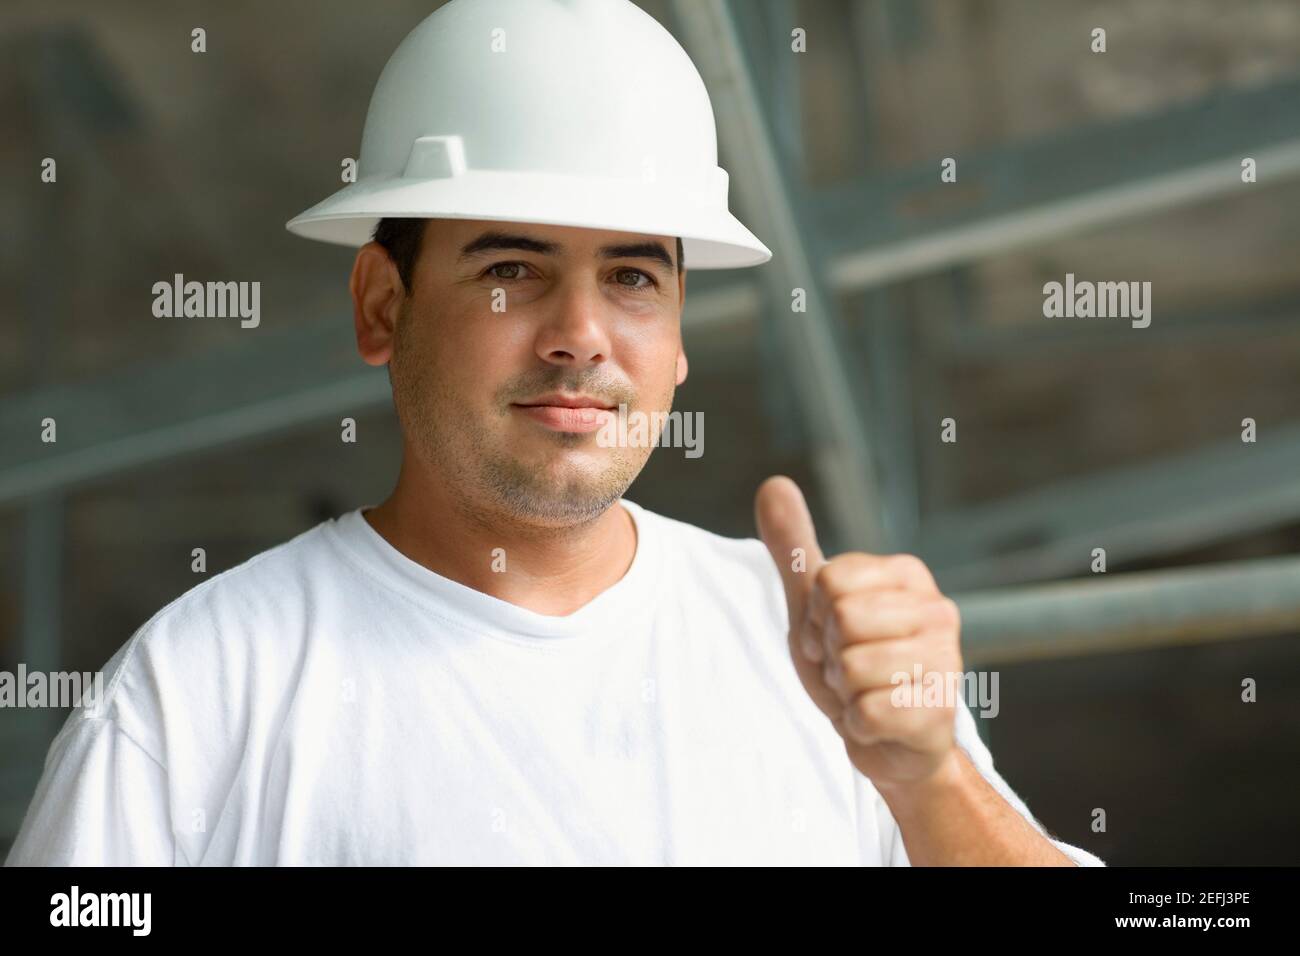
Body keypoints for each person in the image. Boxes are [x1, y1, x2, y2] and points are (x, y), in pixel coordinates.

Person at [5, 0, 1102, 866]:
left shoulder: (814, 654)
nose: (580, 336)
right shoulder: (197, 694)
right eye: (511, 269)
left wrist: (929, 776)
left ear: (675, 339)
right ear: (381, 306)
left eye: (631, 275)